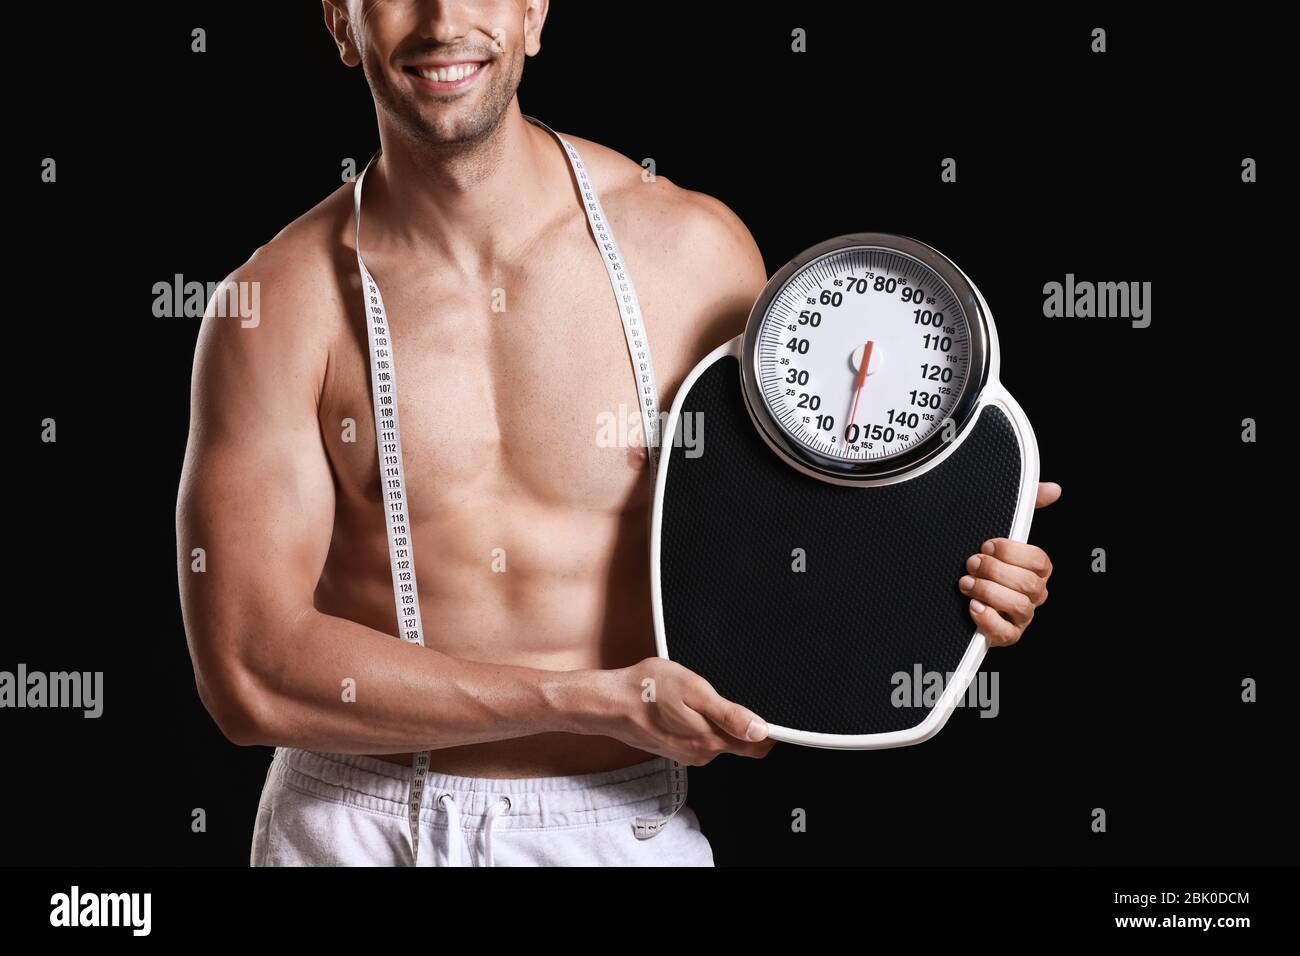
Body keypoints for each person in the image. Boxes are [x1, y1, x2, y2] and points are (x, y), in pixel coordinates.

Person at [176, 0, 1060, 866]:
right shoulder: (276, 308)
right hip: (350, 826)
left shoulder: (690, 254)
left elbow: (793, 551)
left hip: (613, 826)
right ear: (342, 21)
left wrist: (952, 567)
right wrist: (586, 699)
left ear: (533, 13)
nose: (443, 21)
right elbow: (250, 672)